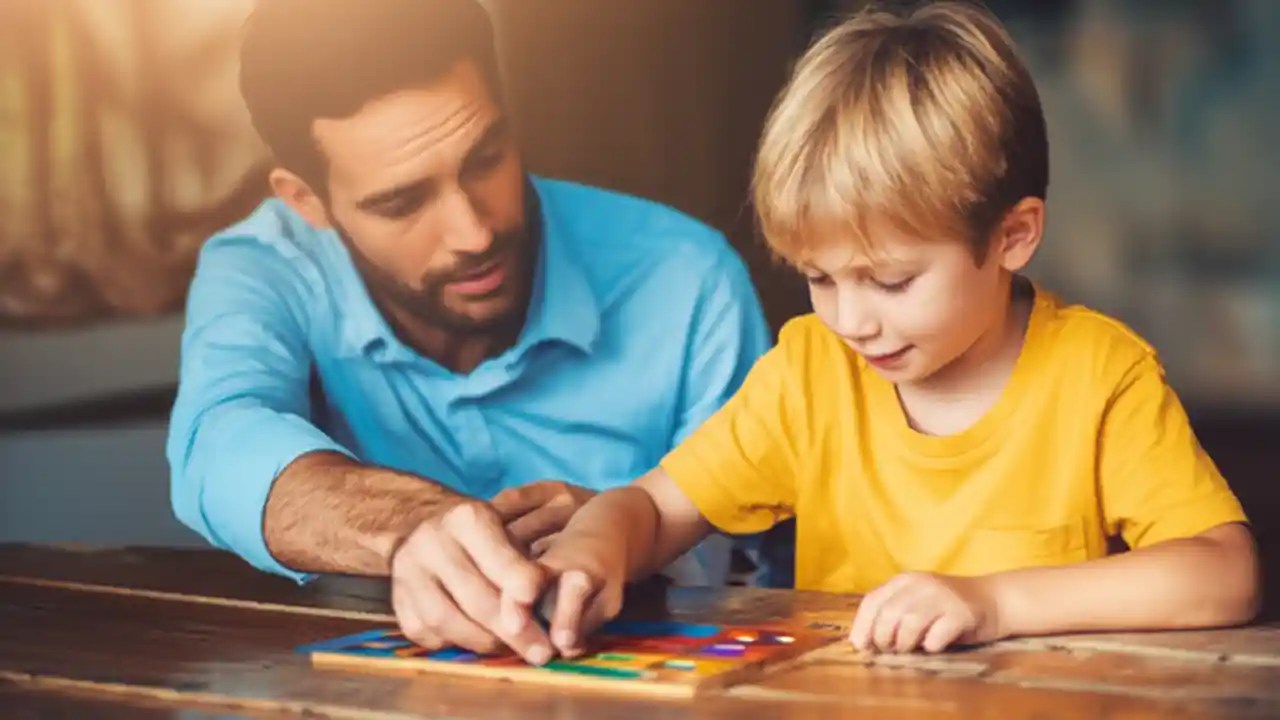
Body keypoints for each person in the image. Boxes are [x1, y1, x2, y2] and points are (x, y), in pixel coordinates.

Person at [516, 0, 1261, 659]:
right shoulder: (810, 375)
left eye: (892, 282)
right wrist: (593, 545)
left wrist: (993, 603)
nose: (851, 321)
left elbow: (1226, 572)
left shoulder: (1100, 376)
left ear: (1013, 236)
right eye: (820, 277)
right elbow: (650, 509)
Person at [165, 0, 770, 666]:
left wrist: (625, 527)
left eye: (486, 159)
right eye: (402, 202)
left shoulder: (688, 278)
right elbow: (219, 442)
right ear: (307, 201)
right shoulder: (264, 268)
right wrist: (409, 523)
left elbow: (758, 562)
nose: (474, 233)